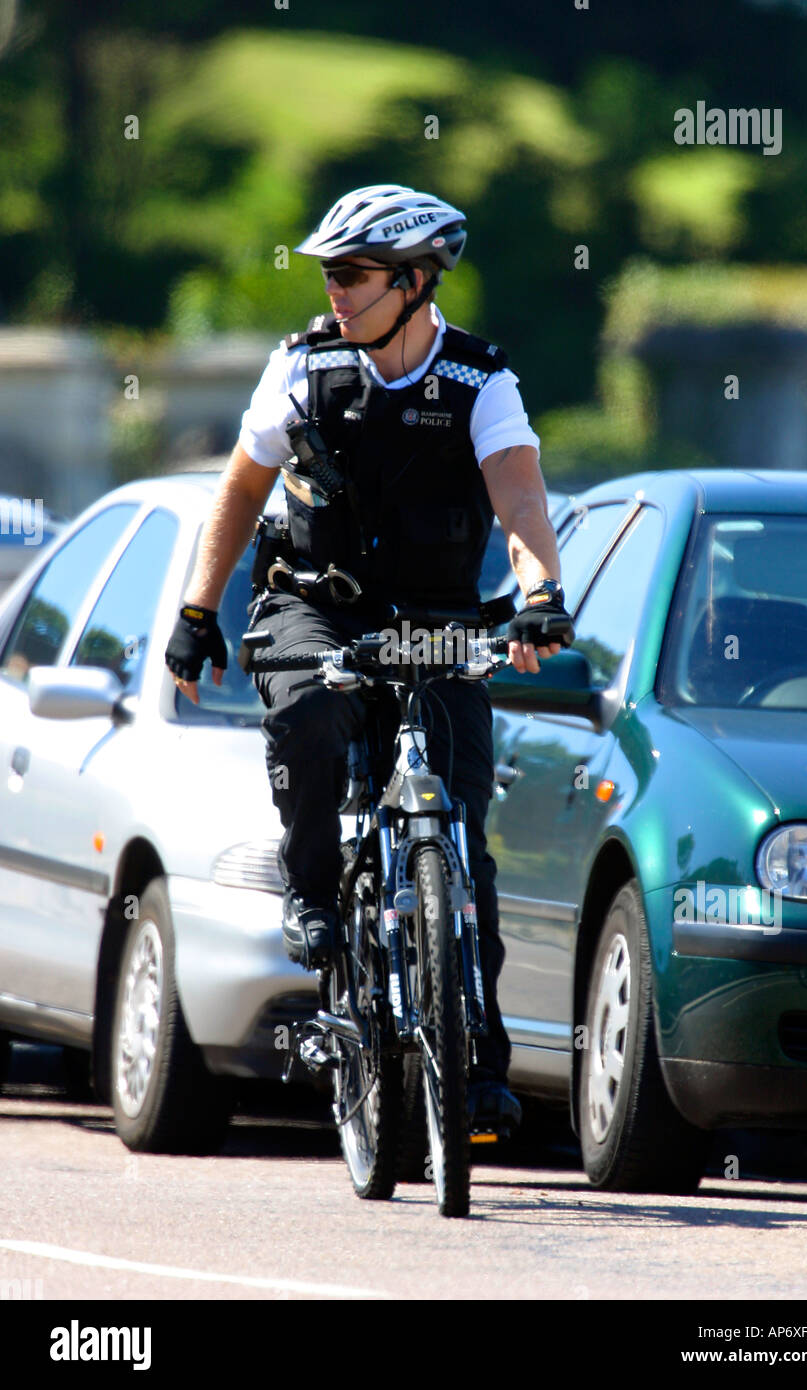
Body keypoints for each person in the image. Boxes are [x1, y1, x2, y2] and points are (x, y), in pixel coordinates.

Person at [165, 184, 573, 1132]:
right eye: (329, 275)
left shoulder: (482, 380)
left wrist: (541, 596)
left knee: (462, 835)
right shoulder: (301, 368)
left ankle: (476, 1069)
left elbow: (518, 501)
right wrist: (197, 608)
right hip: (314, 605)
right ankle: (311, 891)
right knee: (311, 714)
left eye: (353, 274)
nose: (335, 292)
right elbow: (239, 492)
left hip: (433, 619)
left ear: (415, 280)